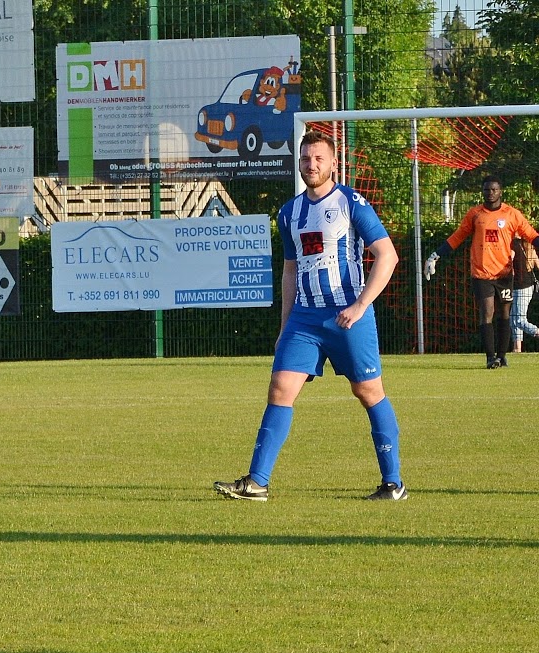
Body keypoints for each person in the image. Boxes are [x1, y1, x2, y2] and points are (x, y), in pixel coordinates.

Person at [215, 131, 404, 503]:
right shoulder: (289, 212)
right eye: (305, 158)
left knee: (368, 392)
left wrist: (360, 306)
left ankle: (393, 483)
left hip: (348, 315)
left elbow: (388, 255)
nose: (311, 165)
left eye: (318, 158)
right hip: (304, 319)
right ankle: (257, 482)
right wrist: (285, 324)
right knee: (280, 388)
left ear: (333, 162)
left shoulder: (351, 202)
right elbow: (290, 270)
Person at [426, 174, 539, 368]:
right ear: (482, 191)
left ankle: (502, 356)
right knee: (487, 311)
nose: (490, 193)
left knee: (505, 314)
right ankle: (490, 358)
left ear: (500, 191)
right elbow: (457, 237)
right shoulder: (475, 214)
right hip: (481, 273)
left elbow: (531, 235)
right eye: (487, 189)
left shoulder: (511, 214)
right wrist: (435, 255)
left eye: (494, 189)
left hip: (504, 274)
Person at [512, 239, 538, 354]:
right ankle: (517, 348)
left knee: (519, 320)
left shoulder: (513, 244)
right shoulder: (529, 246)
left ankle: (536, 332)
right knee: (513, 319)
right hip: (528, 286)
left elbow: (509, 262)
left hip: (520, 286)